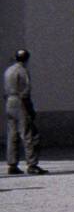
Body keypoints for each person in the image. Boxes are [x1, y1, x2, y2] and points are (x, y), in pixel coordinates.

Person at [4, 48, 44, 176]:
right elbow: (25, 92)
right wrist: (30, 109)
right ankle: (32, 164)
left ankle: (12, 164)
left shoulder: (8, 70)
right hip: (20, 102)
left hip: (9, 101)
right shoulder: (23, 71)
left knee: (12, 135)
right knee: (29, 135)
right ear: (27, 59)